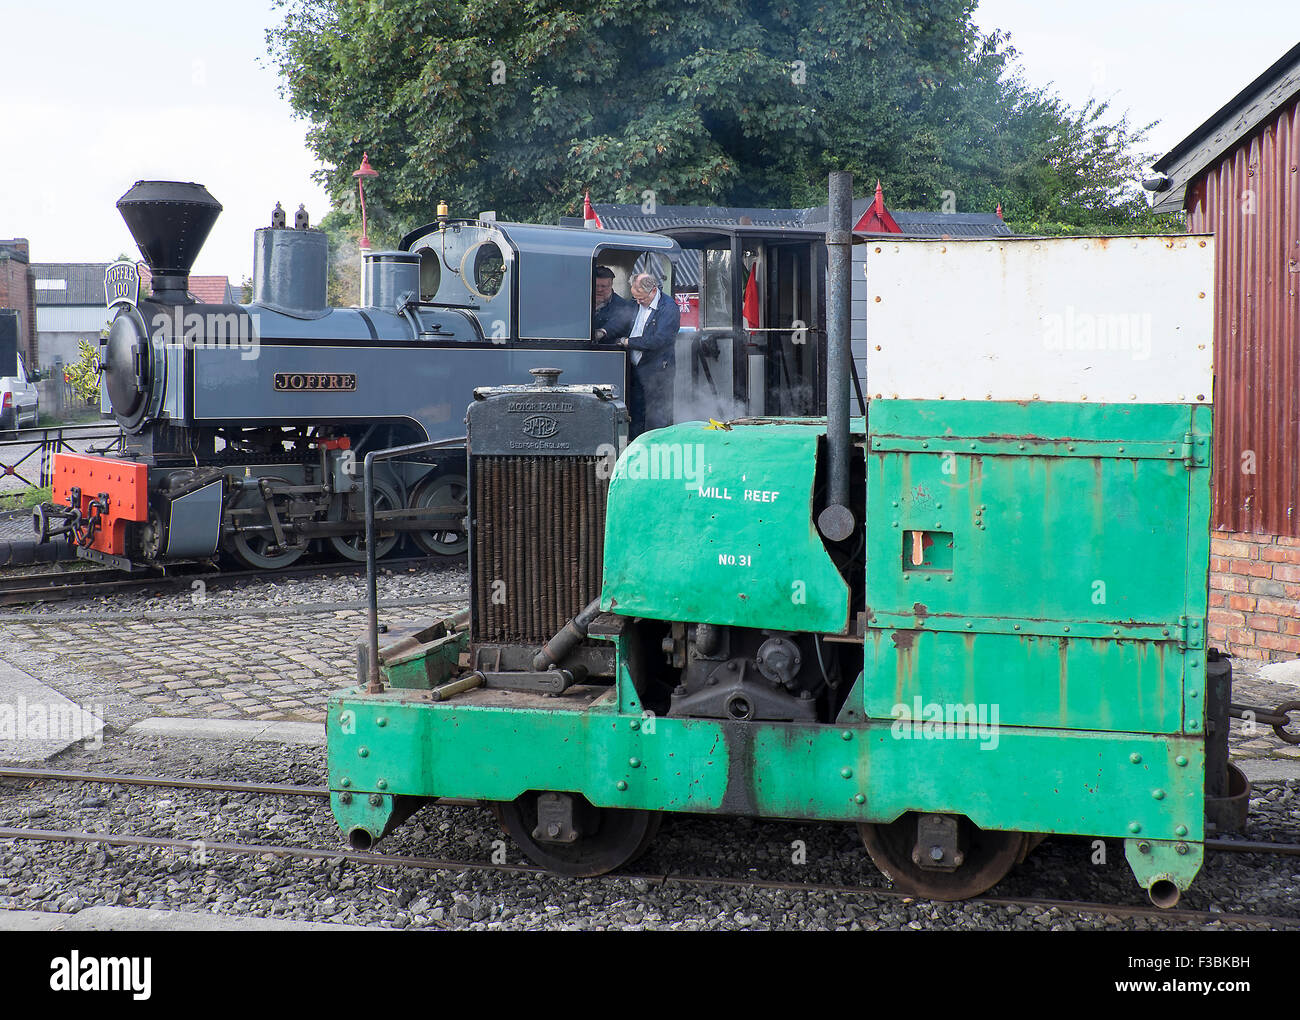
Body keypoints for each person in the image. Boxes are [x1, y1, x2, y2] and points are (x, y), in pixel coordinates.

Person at [622, 271, 679, 434]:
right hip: (634, 367)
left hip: (658, 369)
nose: (638, 302)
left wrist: (628, 342)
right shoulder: (637, 303)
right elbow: (621, 320)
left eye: (641, 298)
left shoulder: (669, 308)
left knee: (657, 414)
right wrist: (604, 331)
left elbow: (659, 340)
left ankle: (657, 446)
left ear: (653, 290)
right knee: (635, 411)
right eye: (635, 298)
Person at [592, 267, 634, 344]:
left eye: (603, 286)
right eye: (596, 285)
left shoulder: (623, 306)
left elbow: (620, 323)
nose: (599, 290)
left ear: (611, 285)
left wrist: (603, 332)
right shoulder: (582, 302)